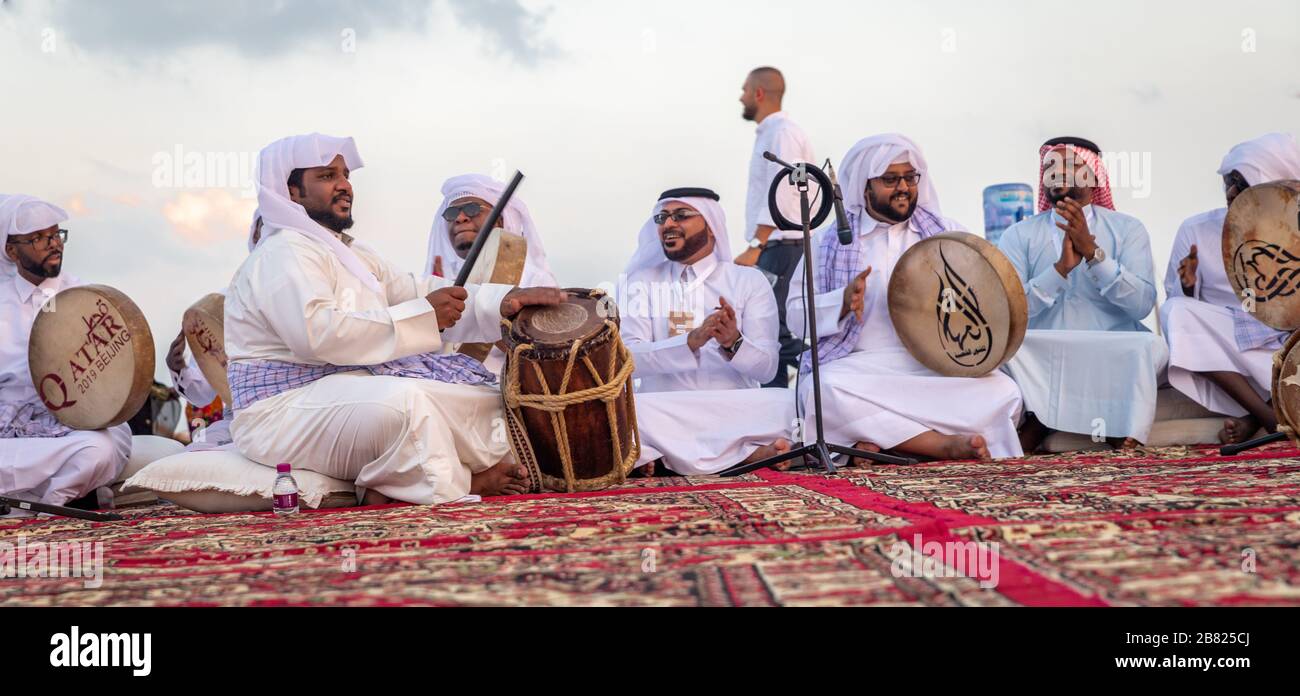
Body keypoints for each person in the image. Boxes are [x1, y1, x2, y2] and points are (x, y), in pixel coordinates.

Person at [224, 133, 565, 505]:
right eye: (326, 176)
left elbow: (415, 289)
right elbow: (318, 334)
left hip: (343, 388)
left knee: (482, 398)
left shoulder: (351, 255)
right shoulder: (283, 252)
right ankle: (455, 484)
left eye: (345, 175)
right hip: (280, 410)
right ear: (291, 193)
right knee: (407, 403)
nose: (343, 185)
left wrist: (503, 302)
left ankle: (394, 485)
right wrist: (425, 318)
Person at [787, 134, 1023, 462]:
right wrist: (840, 302)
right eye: (889, 179)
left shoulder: (947, 234)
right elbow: (795, 317)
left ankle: (882, 442)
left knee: (1003, 392)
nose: (903, 187)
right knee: (821, 389)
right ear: (864, 186)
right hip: (858, 368)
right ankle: (941, 446)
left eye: (910, 177)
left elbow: (985, 296)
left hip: (932, 369)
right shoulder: (828, 242)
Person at [997, 137, 1166, 451]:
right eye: (1050, 166)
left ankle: (1048, 423)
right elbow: (1009, 310)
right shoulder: (1019, 235)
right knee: (1009, 352)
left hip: (1110, 343)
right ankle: (1050, 422)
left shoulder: (1127, 229)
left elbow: (1141, 305)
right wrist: (1059, 270)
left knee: (1144, 347)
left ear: (1095, 177)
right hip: (1043, 347)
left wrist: (1093, 255)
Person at [620, 187, 794, 475]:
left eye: (681, 215)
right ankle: (745, 453)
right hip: (664, 408)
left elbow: (767, 369)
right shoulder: (641, 282)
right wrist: (689, 342)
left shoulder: (748, 281)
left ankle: (657, 456)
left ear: (711, 226)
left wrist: (733, 343)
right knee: (626, 411)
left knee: (787, 401)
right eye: (662, 217)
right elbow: (628, 360)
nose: (668, 224)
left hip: (731, 406)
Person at [1161, 132, 1300, 443]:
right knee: (1176, 310)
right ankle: (1272, 419)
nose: (1231, 191)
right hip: (1231, 346)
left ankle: (1253, 421)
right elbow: (1180, 316)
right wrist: (1187, 287)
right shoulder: (1196, 229)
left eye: (1242, 182)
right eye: (1228, 181)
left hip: (1292, 345)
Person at [0, 194, 130, 513]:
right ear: (11, 250)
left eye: (56, 234)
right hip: (10, 426)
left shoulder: (83, 296)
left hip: (74, 425)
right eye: (38, 238)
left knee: (101, 449)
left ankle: (50, 503)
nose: (53, 243)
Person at [735, 66, 816, 388]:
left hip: (782, 246)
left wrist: (756, 246)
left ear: (758, 93)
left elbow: (782, 190)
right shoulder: (772, 132)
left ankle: (830, 370)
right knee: (770, 330)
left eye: (743, 89)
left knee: (776, 330)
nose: (740, 96)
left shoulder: (781, 132)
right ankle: (778, 407)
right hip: (777, 246)